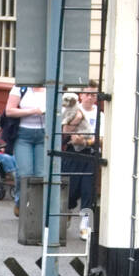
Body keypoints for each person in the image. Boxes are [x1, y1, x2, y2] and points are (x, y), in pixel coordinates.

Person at [62, 81, 98, 239]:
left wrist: (86, 142)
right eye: (87, 94)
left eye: (93, 94)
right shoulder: (73, 110)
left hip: (90, 154)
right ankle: (68, 209)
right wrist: (76, 121)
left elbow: (102, 138)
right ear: (81, 95)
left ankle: (84, 225)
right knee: (71, 190)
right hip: (72, 154)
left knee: (87, 191)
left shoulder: (100, 115)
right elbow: (65, 131)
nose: (90, 97)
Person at [6, 82, 46, 218]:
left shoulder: (50, 88)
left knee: (40, 174)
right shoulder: (20, 88)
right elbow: (9, 110)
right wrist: (33, 111)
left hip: (43, 135)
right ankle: (20, 203)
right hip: (23, 135)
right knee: (25, 173)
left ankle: (35, 208)